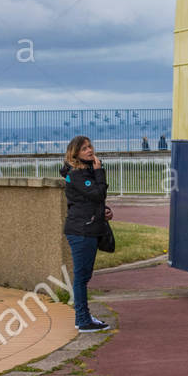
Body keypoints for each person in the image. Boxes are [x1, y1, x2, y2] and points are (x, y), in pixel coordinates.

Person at [60, 135, 113, 332]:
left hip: (87, 228)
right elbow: (98, 194)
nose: (89, 151)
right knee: (81, 277)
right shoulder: (77, 174)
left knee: (84, 276)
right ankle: (82, 320)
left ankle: (84, 316)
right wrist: (100, 172)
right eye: (84, 149)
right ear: (75, 154)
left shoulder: (85, 173)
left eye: (90, 147)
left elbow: (90, 201)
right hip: (81, 231)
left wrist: (104, 212)